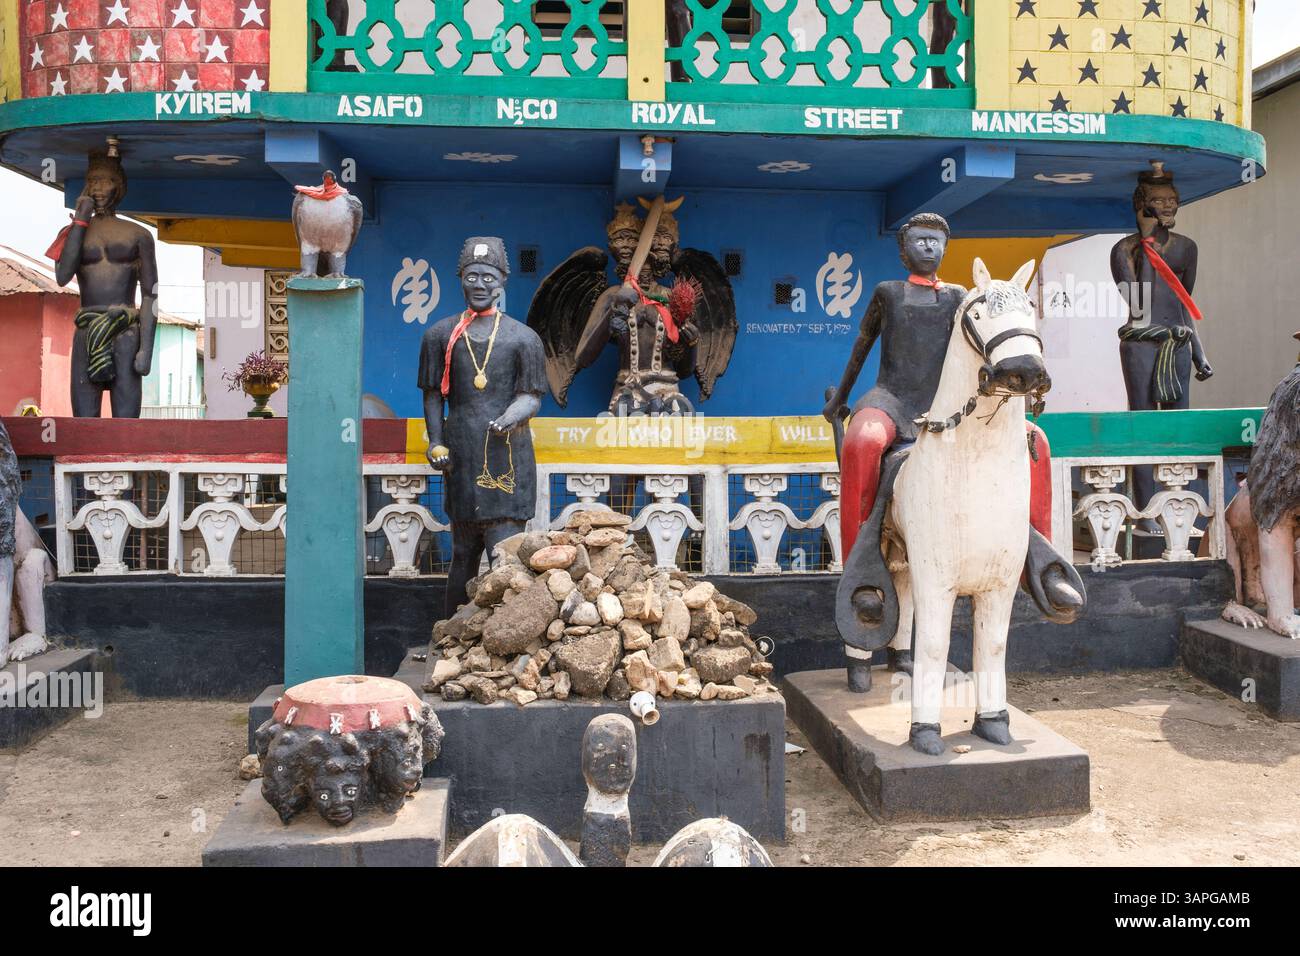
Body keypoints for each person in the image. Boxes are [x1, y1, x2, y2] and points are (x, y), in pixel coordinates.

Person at [419, 237, 548, 618]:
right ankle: (451, 636)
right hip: (462, 458)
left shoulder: (524, 339)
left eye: (488, 276)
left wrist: (511, 416)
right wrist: (436, 443)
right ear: (460, 278)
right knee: (462, 553)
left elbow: (532, 396)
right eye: (472, 275)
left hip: (508, 457)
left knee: (505, 558)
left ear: (502, 281)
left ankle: (504, 637)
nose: (479, 284)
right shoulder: (439, 336)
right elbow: (432, 395)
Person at [49, 148, 158, 418]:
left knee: (126, 423)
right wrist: (81, 219)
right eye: (93, 180)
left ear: (118, 186)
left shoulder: (139, 234)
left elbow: (150, 295)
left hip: (125, 331)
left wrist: (146, 349)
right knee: (84, 421)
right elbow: (63, 276)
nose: (98, 188)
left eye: (106, 180)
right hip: (87, 329)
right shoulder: (72, 233)